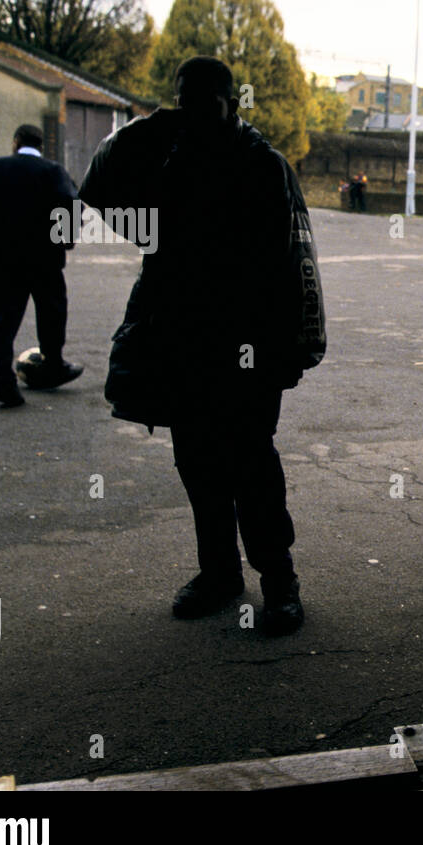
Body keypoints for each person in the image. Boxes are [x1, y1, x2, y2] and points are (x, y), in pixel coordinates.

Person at [77, 56, 326, 636]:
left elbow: (295, 261)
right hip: (184, 342)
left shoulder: (263, 167)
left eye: (204, 102)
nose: (192, 114)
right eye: (182, 102)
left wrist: (291, 346)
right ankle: (218, 574)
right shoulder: (170, 158)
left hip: (249, 346)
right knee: (197, 464)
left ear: (232, 102)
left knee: (252, 466)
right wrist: (156, 122)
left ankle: (280, 583)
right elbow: (99, 188)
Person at [0, 124, 84, 407]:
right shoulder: (53, 171)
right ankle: (53, 363)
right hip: (44, 259)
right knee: (51, 311)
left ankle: (2, 378)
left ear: (15, 142)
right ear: (40, 147)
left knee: (1, 318)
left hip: (1, 258)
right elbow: (72, 204)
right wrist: (67, 239)